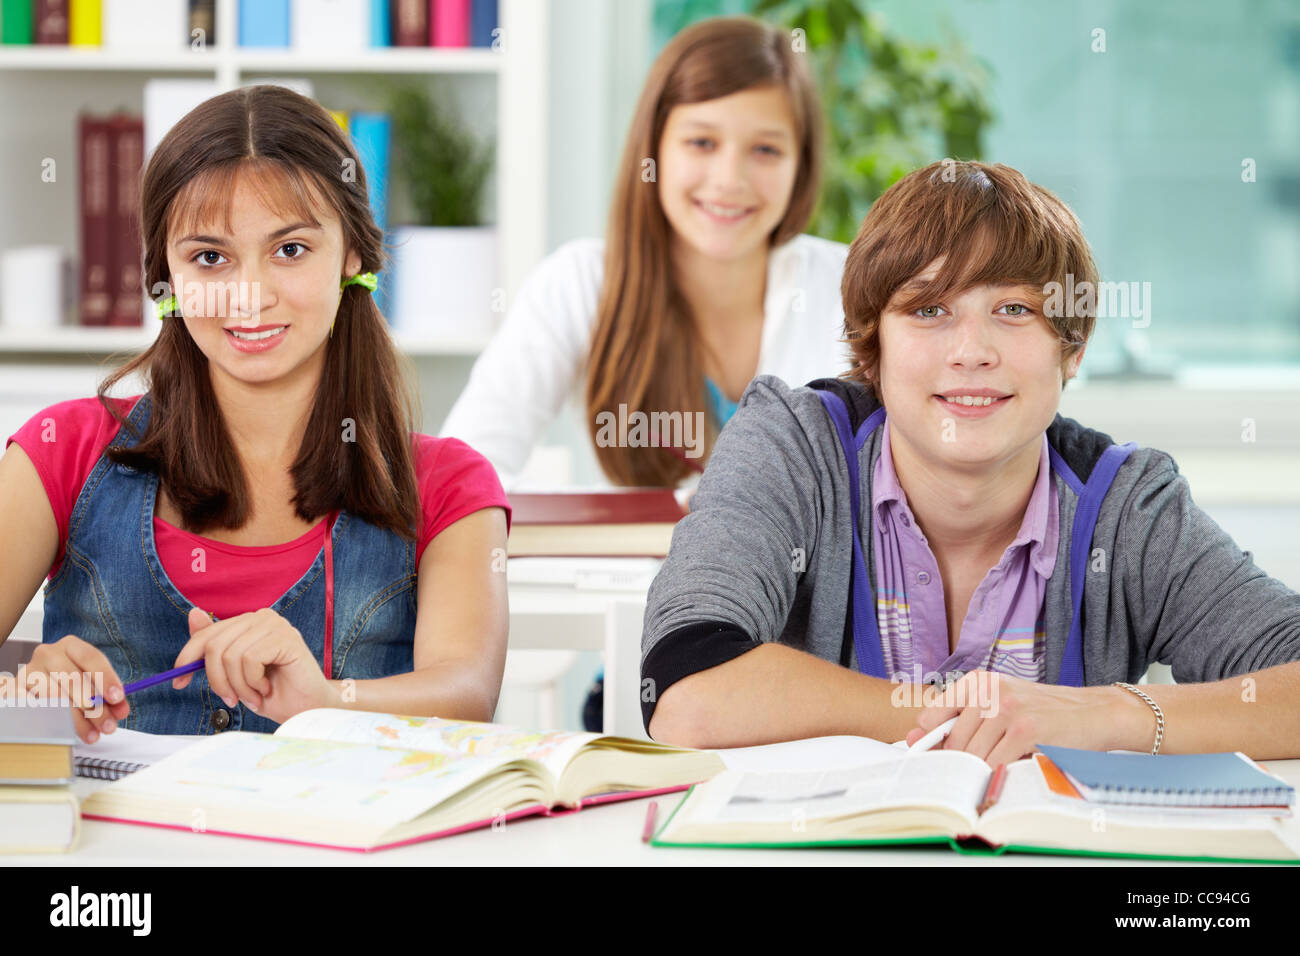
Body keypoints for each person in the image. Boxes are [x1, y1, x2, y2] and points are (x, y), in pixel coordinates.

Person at [641, 160, 1300, 764]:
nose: (971, 351)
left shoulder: (1127, 506)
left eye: (1013, 310)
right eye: (929, 310)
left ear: (1071, 348)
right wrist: (965, 717)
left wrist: (1090, 716)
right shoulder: (794, 447)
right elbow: (685, 690)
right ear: (872, 348)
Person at [0, 85, 511, 744]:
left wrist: (325, 700)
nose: (250, 295)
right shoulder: (60, 450)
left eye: (290, 250)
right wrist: (23, 687)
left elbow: (468, 693)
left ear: (352, 253)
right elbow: (16, 686)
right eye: (209, 257)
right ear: (168, 278)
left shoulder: (448, 484)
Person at [441, 16, 851, 488]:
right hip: (632, 564)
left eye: (765, 150)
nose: (729, 179)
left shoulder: (847, 287)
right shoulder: (580, 283)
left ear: (801, 166)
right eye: (701, 142)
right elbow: (462, 474)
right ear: (653, 150)